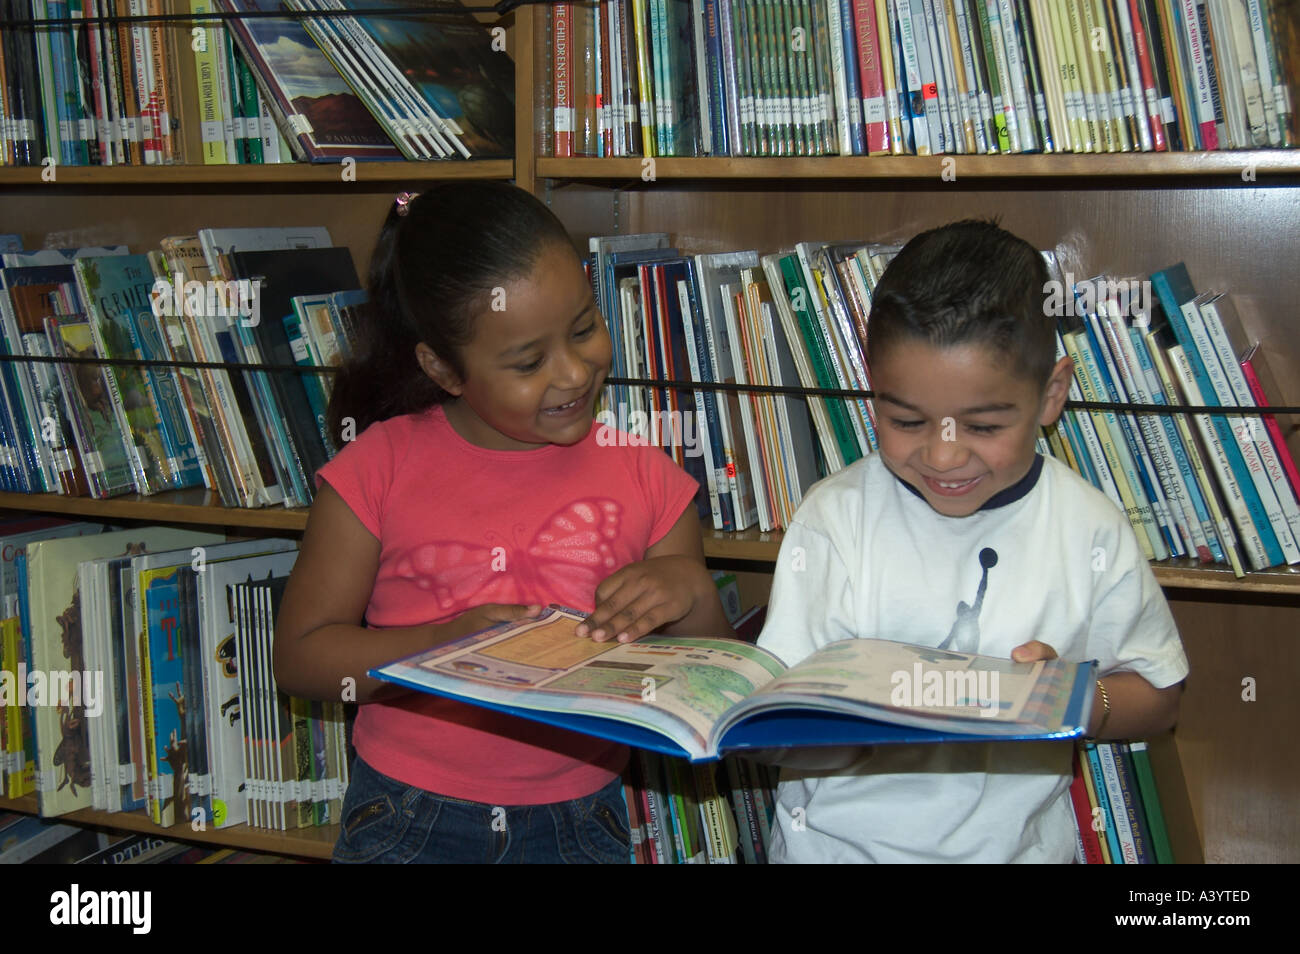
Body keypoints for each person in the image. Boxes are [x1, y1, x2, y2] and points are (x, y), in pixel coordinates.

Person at [274, 182, 734, 863]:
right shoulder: (378, 466)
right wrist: (439, 647)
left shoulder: (646, 477)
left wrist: (689, 590)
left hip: (579, 815)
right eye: (528, 361)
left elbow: (707, 680)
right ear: (443, 368)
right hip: (409, 812)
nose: (576, 372)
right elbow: (301, 656)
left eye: (584, 328)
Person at [755, 220, 1188, 863]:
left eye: (983, 425)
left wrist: (1074, 699)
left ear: (1051, 394)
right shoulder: (834, 519)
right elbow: (777, 718)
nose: (943, 454)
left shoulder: (1088, 528)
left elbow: (1159, 697)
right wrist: (816, 732)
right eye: (905, 420)